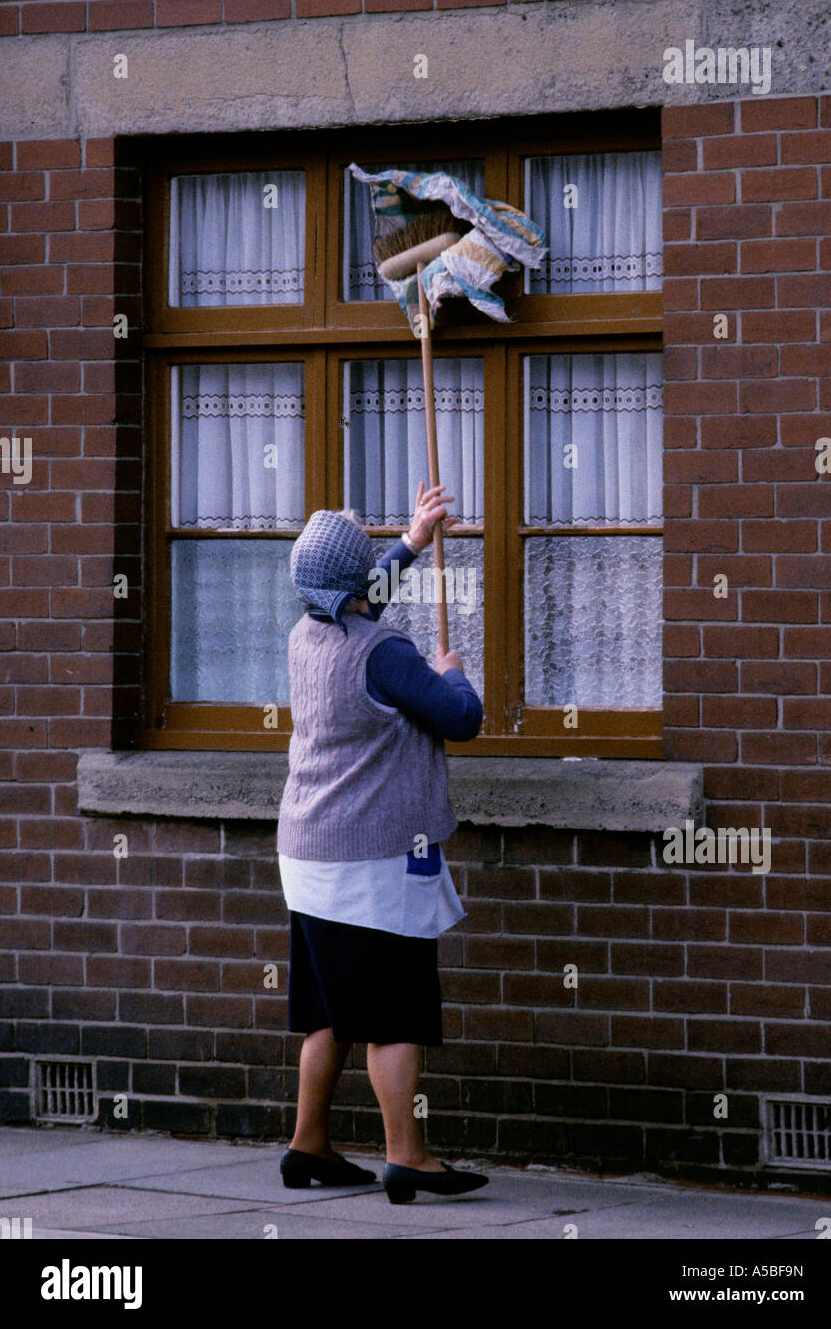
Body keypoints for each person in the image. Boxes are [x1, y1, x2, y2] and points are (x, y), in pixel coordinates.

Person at [276, 482, 489, 1205]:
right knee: (393, 1013)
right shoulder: (385, 651)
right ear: (351, 579)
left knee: (330, 1011)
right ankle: (408, 1157)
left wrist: (411, 544)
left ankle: (309, 1146)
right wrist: (452, 675)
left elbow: (352, 598)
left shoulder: (306, 634)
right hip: (369, 859)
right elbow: (460, 721)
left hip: (307, 853)